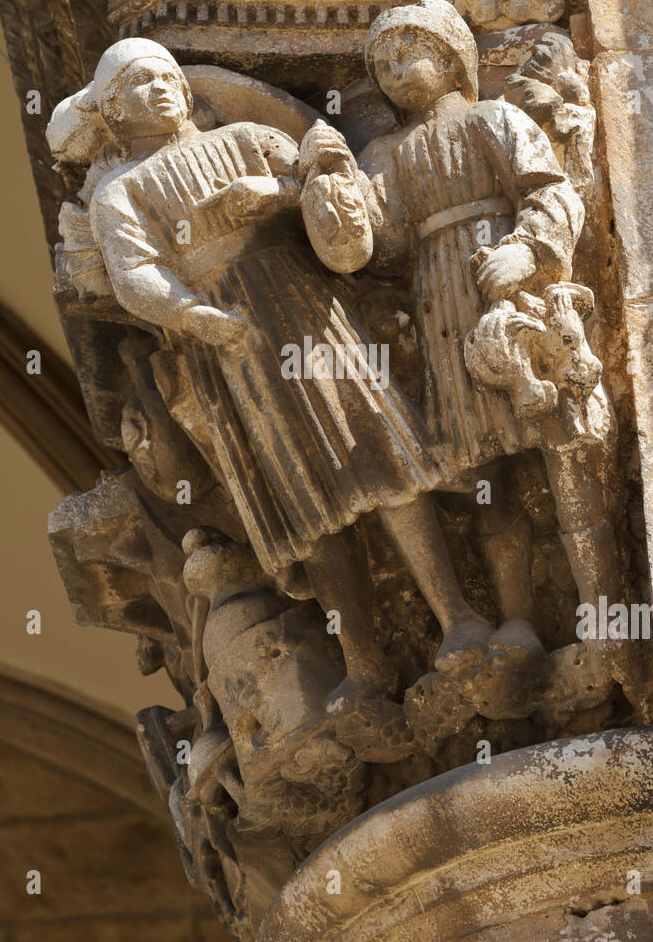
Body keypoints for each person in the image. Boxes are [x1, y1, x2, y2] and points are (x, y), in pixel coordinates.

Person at [64, 37, 504, 710]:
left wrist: (270, 192)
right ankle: (363, 661)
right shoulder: (121, 192)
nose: (160, 90)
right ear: (116, 112)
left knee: (380, 458)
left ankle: (458, 616)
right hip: (228, 342)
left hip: (303, 305)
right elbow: (134, 276)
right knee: (309, 506)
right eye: (137, 86)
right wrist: (190, 314)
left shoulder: (247, 137)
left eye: (166, 77)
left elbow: (330, 193)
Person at [298, 0, 592, 675]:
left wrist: (528, 251)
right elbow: (387, 249)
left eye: (413, 50)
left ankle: (588, 602)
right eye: (384, 63)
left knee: (547, 441)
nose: (400, 70)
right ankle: (514, 613)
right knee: (483, 474)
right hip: (436, 306)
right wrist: (340, 188)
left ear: (455, 55)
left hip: (503, 298)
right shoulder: (382, 152)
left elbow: (549, 191)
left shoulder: (491, 117)